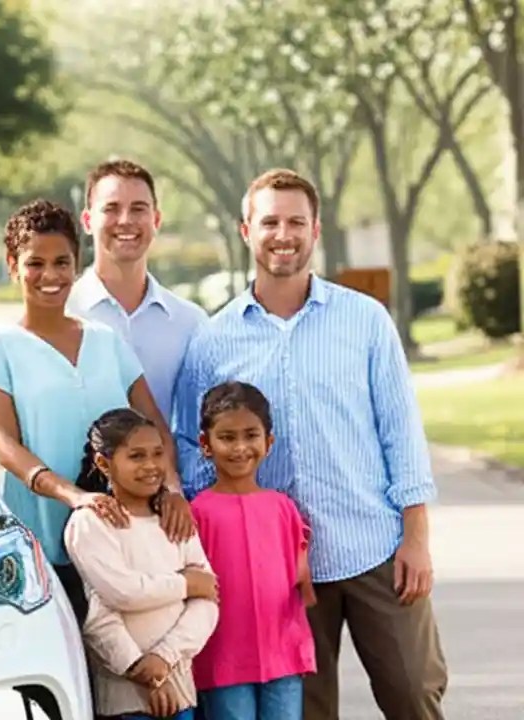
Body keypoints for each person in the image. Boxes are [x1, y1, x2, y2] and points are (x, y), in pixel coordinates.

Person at [171, 168, 447, 720]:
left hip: (373, 546)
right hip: (274, 570)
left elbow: (400, 428)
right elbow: (191, 450)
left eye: (296, 221)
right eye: (269, 221)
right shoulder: (212, 339)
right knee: (305, 712)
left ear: (315, 230)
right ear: (246, 229)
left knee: (414, 691)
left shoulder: (365, 320)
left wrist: (415, 537)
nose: (283, 234)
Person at [0, 198, 195, 625]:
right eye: (35, 263)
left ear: (77, 264)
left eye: (61, 262)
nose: (50, 276)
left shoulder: (106, 340)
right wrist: (74, 496)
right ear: (12, 265)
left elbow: (155, 425)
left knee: (137, 673)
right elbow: (3, 441)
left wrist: (172, 489)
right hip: (47, 545)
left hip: (125, 541)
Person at [64, 408, 219, 720]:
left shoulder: (174, 518)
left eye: (157, 454)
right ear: (103, 463)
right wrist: (142, 672)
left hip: (179, 690)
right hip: (127, 697)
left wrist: (163, 659)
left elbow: (208, 601)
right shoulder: (91, 524)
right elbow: (114, 602)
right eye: (136, 456)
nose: (150, 466)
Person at [189, 381, 317, 719]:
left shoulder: (283, 507)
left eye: (251, 435)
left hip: (283, 652)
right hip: (223, 655)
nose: (240, 447)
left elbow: (298, 566)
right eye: (227, 437)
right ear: (205, 444)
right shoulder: (197, 512)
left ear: (268, 442)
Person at [66, 159, 209, 424]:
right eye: (111, 208)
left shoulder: (191, 323)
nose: (125, 220)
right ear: (87, 220)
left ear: (156, 220)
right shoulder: (63, 313)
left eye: (138, 209)